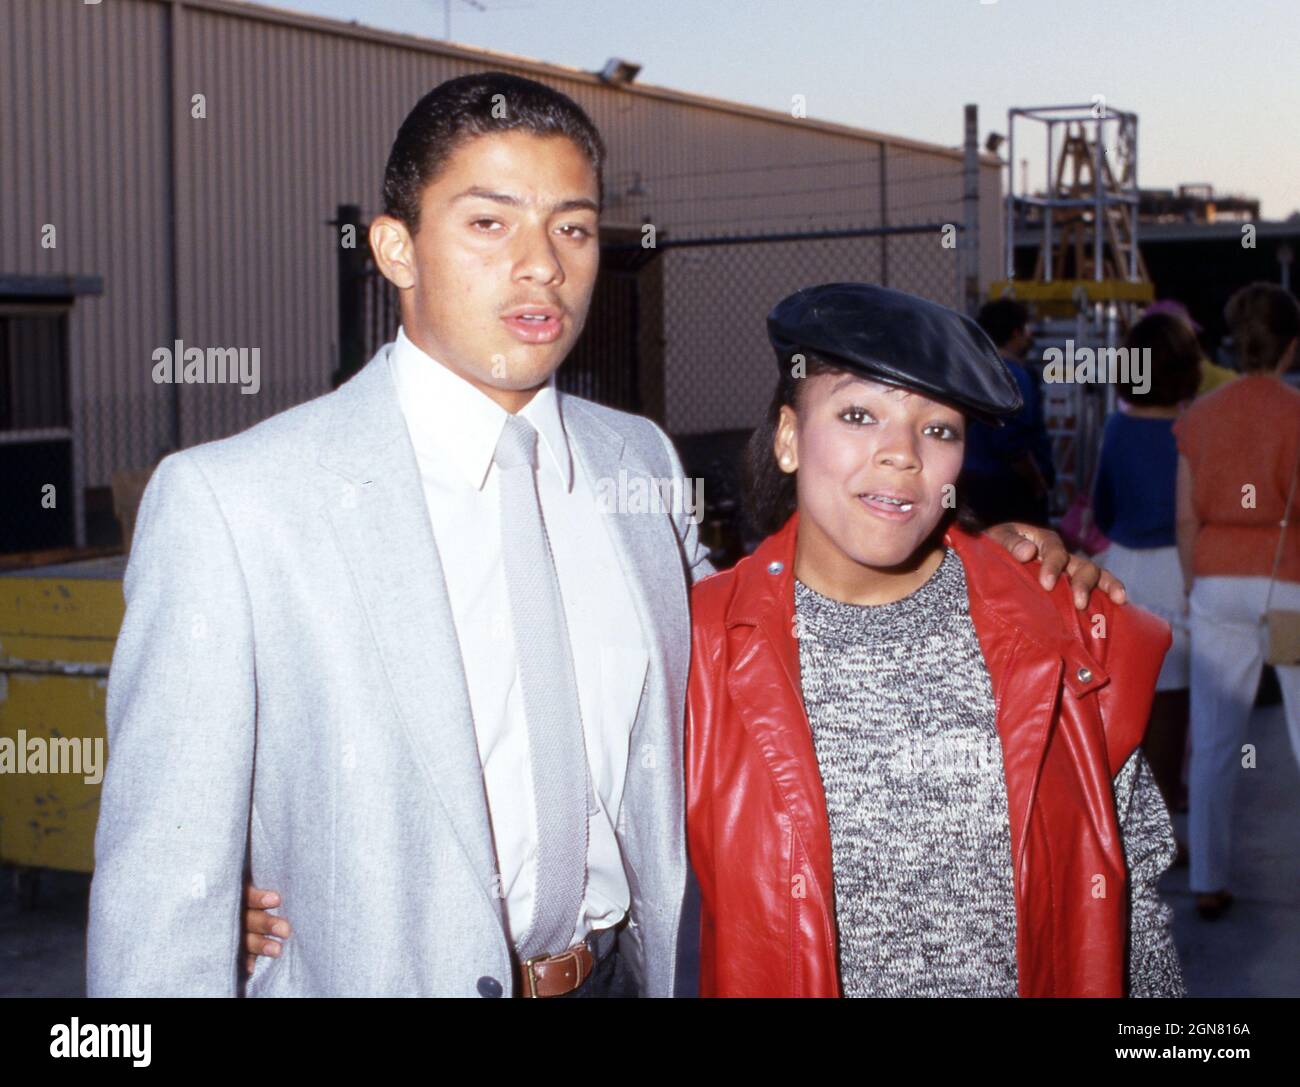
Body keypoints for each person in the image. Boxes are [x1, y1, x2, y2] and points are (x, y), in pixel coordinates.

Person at [95, 75, 1114, 999]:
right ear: (395, 246)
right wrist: (202, 906)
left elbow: (760, 633)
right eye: (489, 222)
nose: (540, 265)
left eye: (573, 230)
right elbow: (160, 892)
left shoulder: (636, 463)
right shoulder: (235, 504)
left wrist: (979, 568)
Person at [686, 283, 1183, 997]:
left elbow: (1136, 923)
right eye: (859, 414)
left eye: (939, 429)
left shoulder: (1066, 634)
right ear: (789, 438)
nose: (902, 455)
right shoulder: (698, 646)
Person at [1175, 282, 1300, 922]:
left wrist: (1197, 585)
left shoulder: (1199, 417)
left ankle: (1209, 882)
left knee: (1218, 739)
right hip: (1290, 583)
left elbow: (1187, 518)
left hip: (1217, 579)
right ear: (1292, 346)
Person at [1093, 312, 1202, 859]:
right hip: (1180, 571)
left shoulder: (1115, 430)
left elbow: (1102, 507)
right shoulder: (1194, 430)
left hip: (1124, 572)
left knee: (1127, 705)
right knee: (1175, 710)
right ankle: (1169, 831)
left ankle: (1123, 827)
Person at [961, 297, 1056, 526]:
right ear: (1016, 333)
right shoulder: (1015, 376)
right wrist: (1037, 482)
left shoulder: (971, 372)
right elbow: (1012, 443)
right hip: (1008, 486)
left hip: (971, 480)